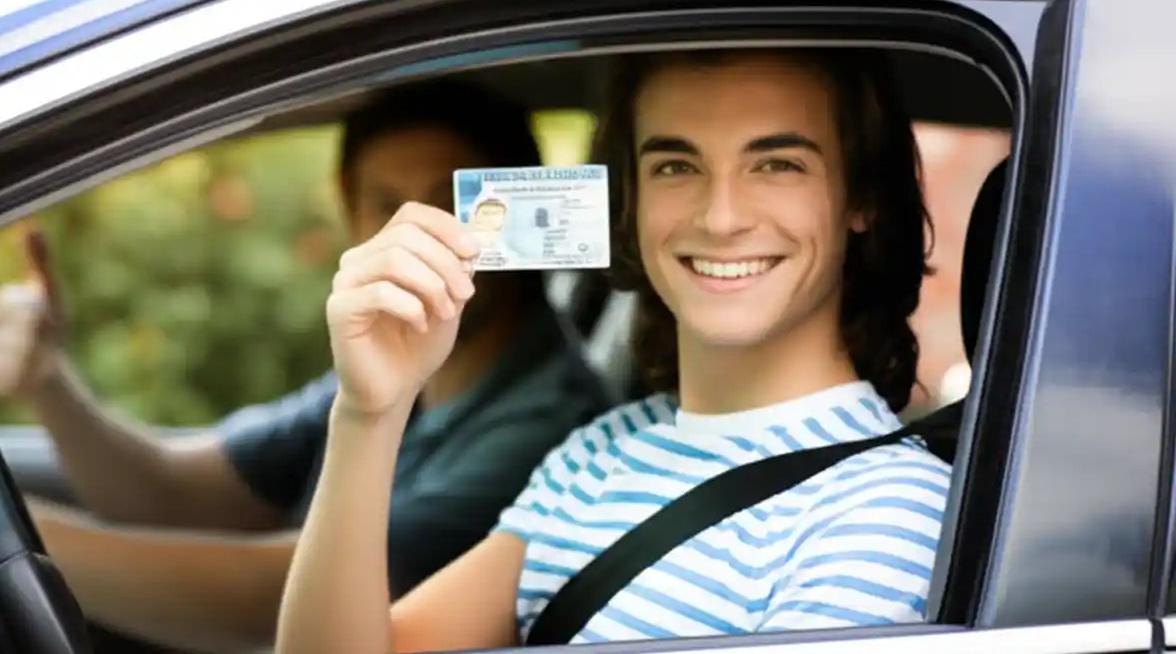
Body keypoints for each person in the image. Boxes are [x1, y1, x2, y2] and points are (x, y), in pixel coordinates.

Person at [274, 48, 954, 653]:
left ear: (860, 196)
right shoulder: (599, 453)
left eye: (777, 164)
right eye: (675, 165)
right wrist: (371, 412)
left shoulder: (886, 509)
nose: (720, 218)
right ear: (629, 200)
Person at [0, 80, 613, 652]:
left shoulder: (549, 425)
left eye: (448, 203)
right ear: (349, 213)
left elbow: (267, 603)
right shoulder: (401, 362)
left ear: (515, 222)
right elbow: (181, 494)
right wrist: (42, 388)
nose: (414, 234)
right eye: (386, 204)